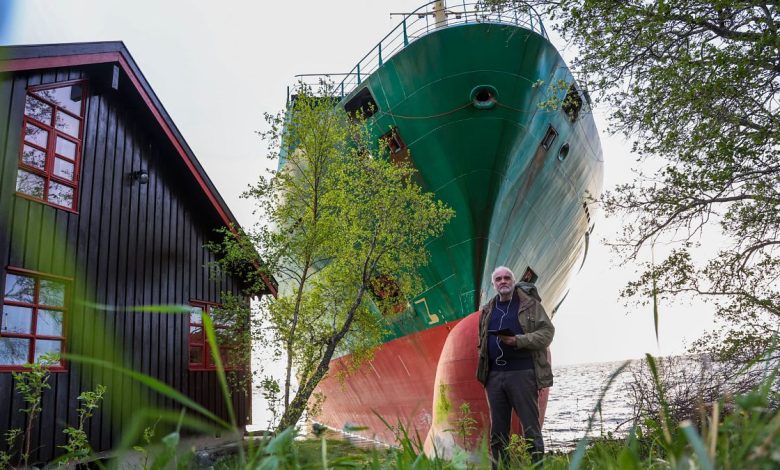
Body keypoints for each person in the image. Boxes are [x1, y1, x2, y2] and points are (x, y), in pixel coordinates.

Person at [476, 266, 554, 467]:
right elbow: (481, 341)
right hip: (494, 377)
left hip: (522, 374)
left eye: (507, 278)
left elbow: (547, 332)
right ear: (493, 284)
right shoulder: (487, 310)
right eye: (499, 279)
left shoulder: (530, 304)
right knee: (498, 433)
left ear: (513, 281)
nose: (503, 281)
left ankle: (538, 466)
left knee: (531, 429)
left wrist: (519, 340)